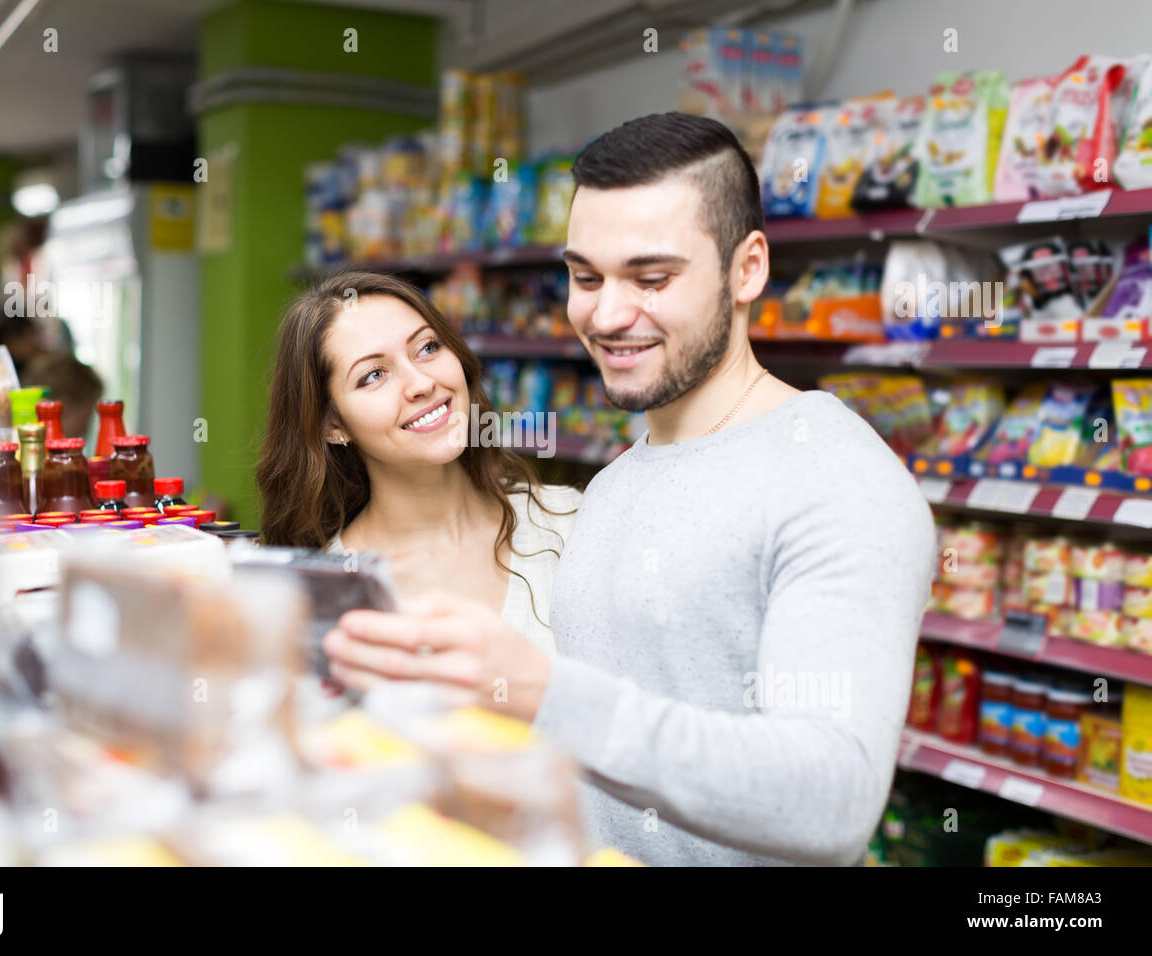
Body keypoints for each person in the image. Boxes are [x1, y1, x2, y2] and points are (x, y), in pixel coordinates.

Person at [322, 113, 937, 866]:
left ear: (746, 270)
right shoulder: (613, 485)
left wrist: (541, 690)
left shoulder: (836, 479)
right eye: (586, 277)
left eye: (651, 278)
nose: (606, 315)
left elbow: (831, 798)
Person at [256, 270, 580, 653]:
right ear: (333, 424)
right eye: (374, 375)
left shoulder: (571, 522)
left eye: (427, 348)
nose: (421, 383)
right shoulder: (331, 595)